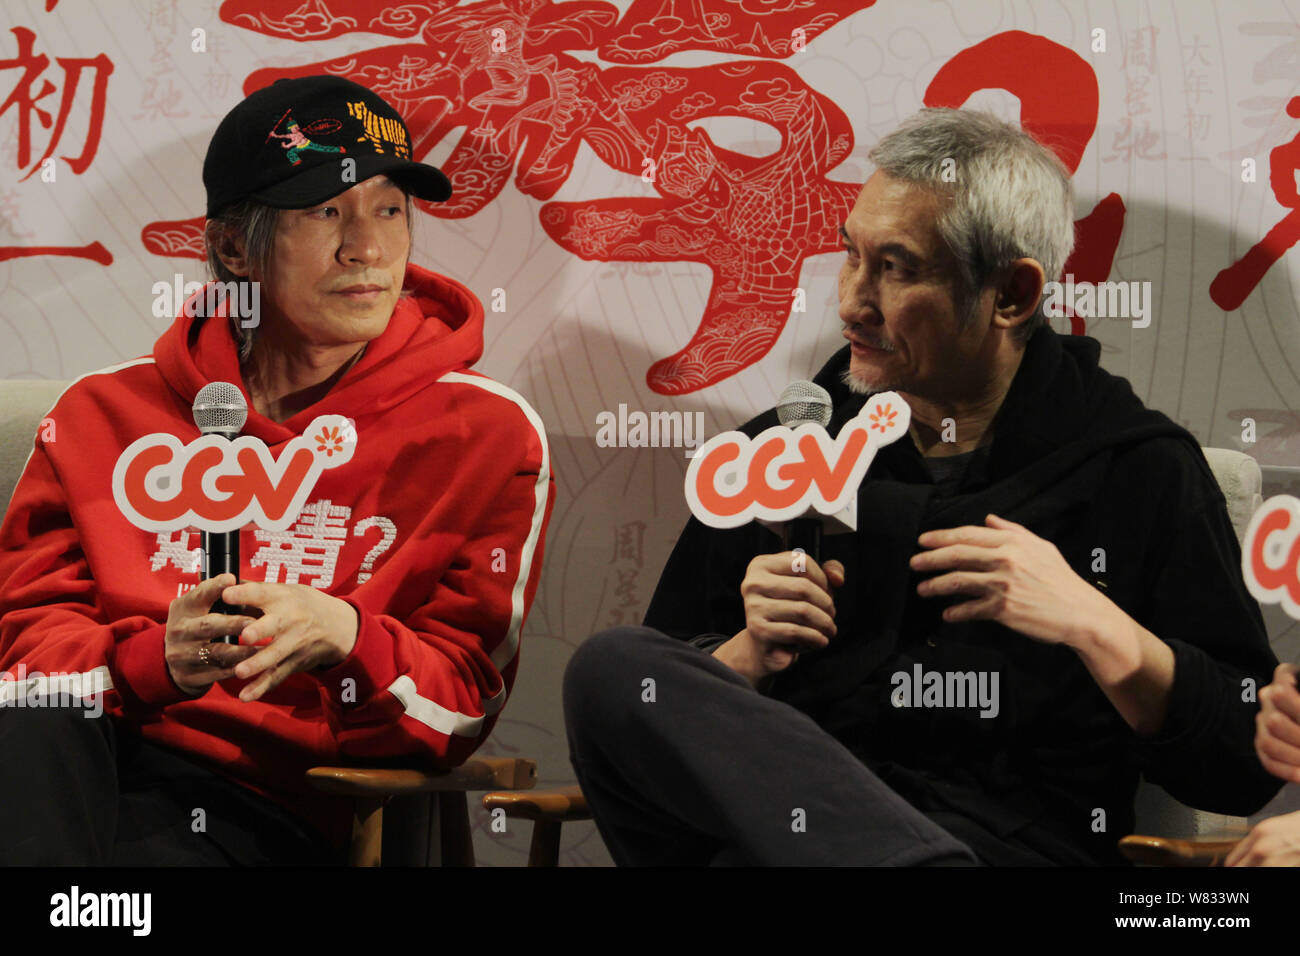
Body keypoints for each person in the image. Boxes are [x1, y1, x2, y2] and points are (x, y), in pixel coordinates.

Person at [563, 108, 1281, 866]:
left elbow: (1242, 762)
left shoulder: (1138, 468)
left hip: (1008, 849)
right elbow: (655, 704)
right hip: (786, 844)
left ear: (1011, 295)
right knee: (609, 668)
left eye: (896, 268)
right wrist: (749, 652)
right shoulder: (788, 453)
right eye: (851, 256)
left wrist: (1092, 623)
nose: (850, 302)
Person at [0, 75, 554, 865]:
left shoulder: (486, 435)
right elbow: (21, 653)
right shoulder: (101, 415)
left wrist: (348, 638)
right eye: (327, 211)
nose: (367, 248)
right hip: (66, 758)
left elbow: (459, 707)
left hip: (263, 806)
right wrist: (152, 662)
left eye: (390, 209)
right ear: (232, 246)